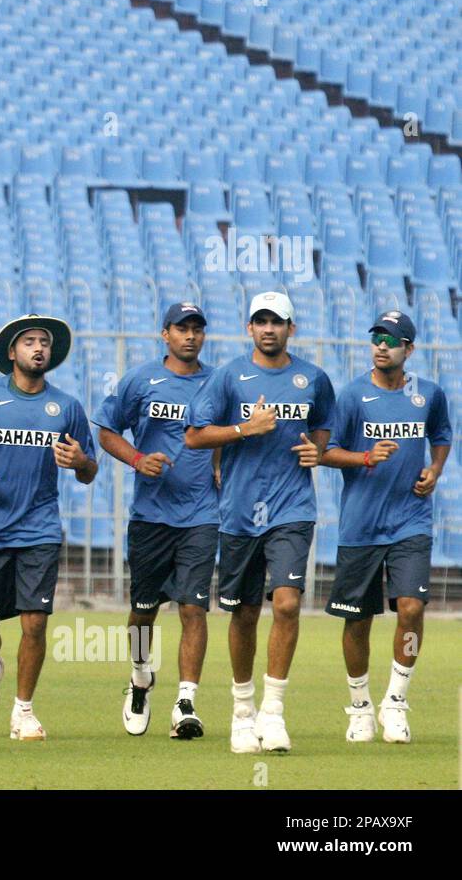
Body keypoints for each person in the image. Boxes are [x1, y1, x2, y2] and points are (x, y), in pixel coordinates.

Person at [186, 291, 335, 754]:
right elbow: (194, 435)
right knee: (244, 611)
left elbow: (325, 425)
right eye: (261, 320)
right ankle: (242, 711)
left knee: (287, 603)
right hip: (239, 512)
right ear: (249, 328)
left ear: (292, 328)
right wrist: (242, 430)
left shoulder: (313, 378)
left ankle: (273, 713)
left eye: (278, 321)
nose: (269, 328)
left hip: (292, 509)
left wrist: (317, 451)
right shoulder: (229, 377)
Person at [0, 315, 97, 742]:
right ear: (11, 353)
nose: (38, 348)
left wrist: (81, 463)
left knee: (35, 623)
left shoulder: (67, 407)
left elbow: (89, 470)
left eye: (44, 342)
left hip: (41, 529)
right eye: (29, 341)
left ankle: (24, 711)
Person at [318, 311, 451, 744]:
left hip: (410, 521)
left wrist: (435, 468)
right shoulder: (353, 396)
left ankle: (396, 701)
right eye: (375, 336)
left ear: (409, 349)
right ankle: (359, 706)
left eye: (391, 340)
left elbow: (442, 435)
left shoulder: (428, 395)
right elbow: (326, 452)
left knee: (411, 609)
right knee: (358, 621)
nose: (381, 345)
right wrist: (365, 458)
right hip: (361, 525)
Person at [94, 303, 218, 739]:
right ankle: (140, 675)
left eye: (197, 330)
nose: (190, 336)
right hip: (151, 517)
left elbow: (222, 434)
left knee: (193, 607)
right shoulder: (141, 380)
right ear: (164, 333)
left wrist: (221, 464)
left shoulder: (217, 383)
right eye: (181, 329)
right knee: (143, 612)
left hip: (203, 514)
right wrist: (137, 459)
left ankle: (186, 704)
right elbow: (106, 430)